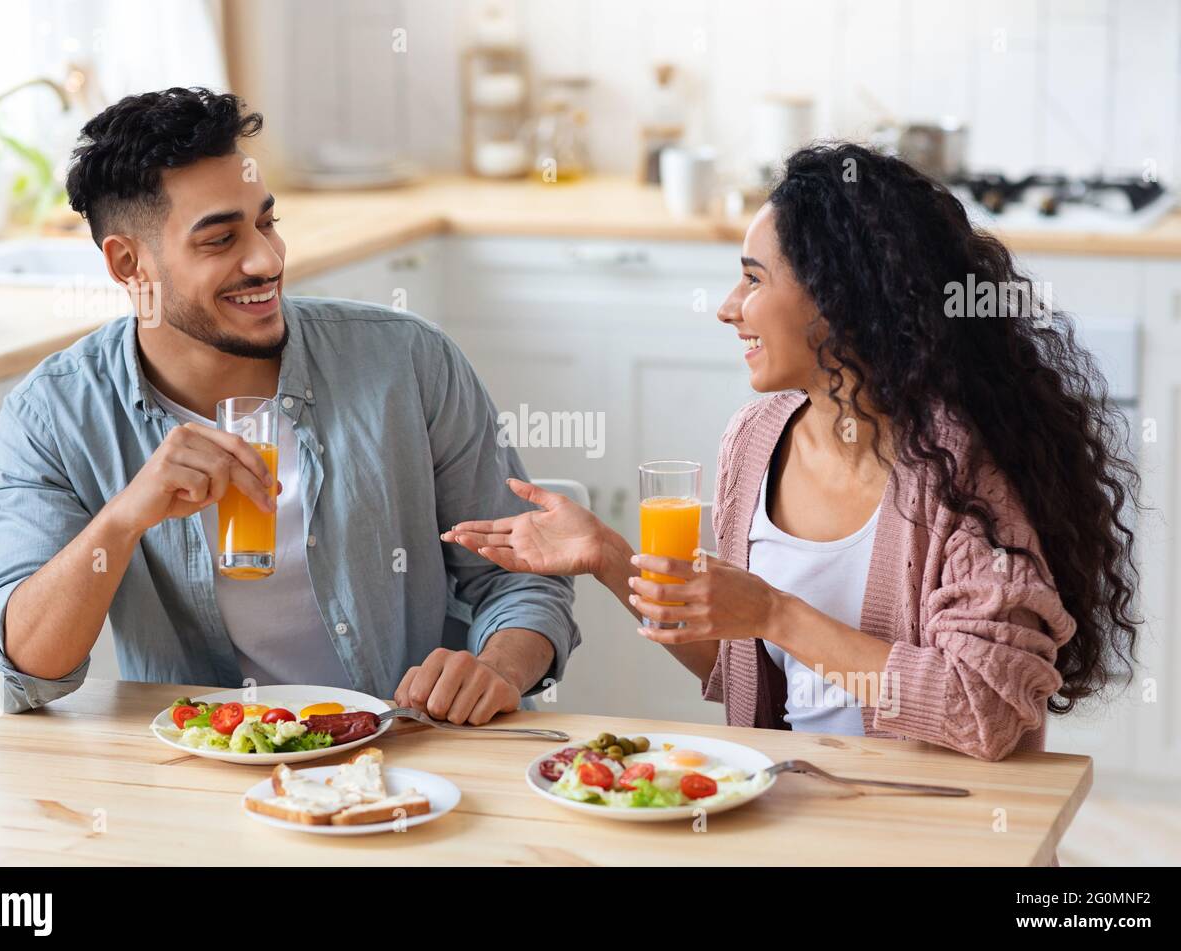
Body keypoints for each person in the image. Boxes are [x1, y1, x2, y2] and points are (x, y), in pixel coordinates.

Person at [444, 142, 1139, 761]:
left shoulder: (962, 472)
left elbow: (983, 710)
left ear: (838, 298)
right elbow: (739, 668)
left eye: (753, 279)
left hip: (934, 823)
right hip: (800, 804)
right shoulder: (755, 439)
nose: (727, 306)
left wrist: (776, 612)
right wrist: (605, 553)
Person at [0, 87, 579, 723]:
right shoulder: (54, 416)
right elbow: (18, 678)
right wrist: (122, 521)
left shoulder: (407, 360)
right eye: (220, 239)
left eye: (266, 222)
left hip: (416, 753)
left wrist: (498, 669)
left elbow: (521, 576)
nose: (267, 259)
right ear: (128, 264)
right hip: (206, 775)